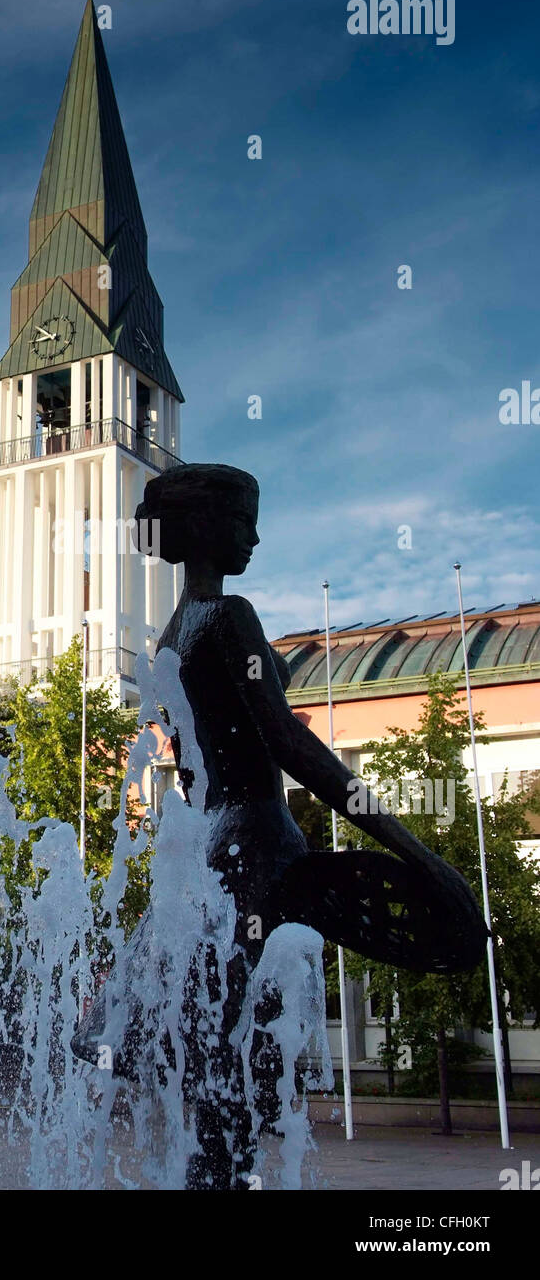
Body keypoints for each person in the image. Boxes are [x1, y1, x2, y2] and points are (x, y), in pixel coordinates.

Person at [74, 463, 486, 1190]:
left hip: (212, 848)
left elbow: (193, 770)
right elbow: (291, 744)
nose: (254, 538)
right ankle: (219, 1173)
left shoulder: (170, 637)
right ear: (205, 527)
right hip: (258, 843)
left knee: (213, 1031)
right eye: (241, 522)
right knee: (242, 1037)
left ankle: (208, 1172)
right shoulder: (228, 618)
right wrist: (412, 848)